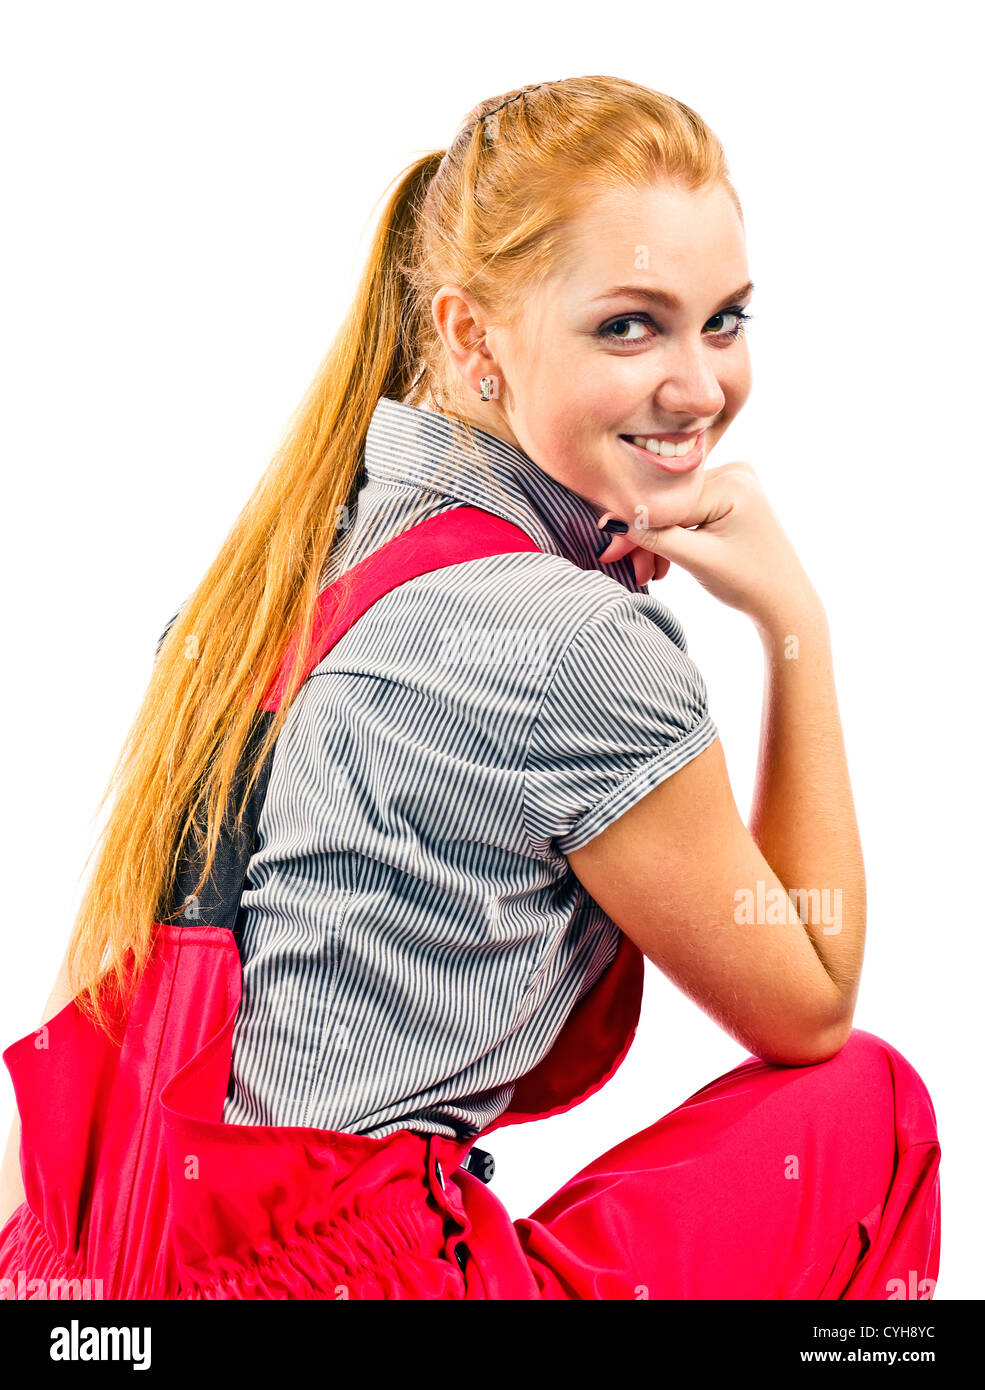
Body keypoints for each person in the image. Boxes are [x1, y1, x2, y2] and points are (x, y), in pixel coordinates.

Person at [0, 75, 940, 1300]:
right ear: (466, 336)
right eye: (629, 326)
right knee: (864, 1107)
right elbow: (807, 1001)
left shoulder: (274, 574)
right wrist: (794, 629)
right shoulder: (570, 643)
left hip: (74, 1271)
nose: (702, 386)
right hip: (351, 1283)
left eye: (724, 320)